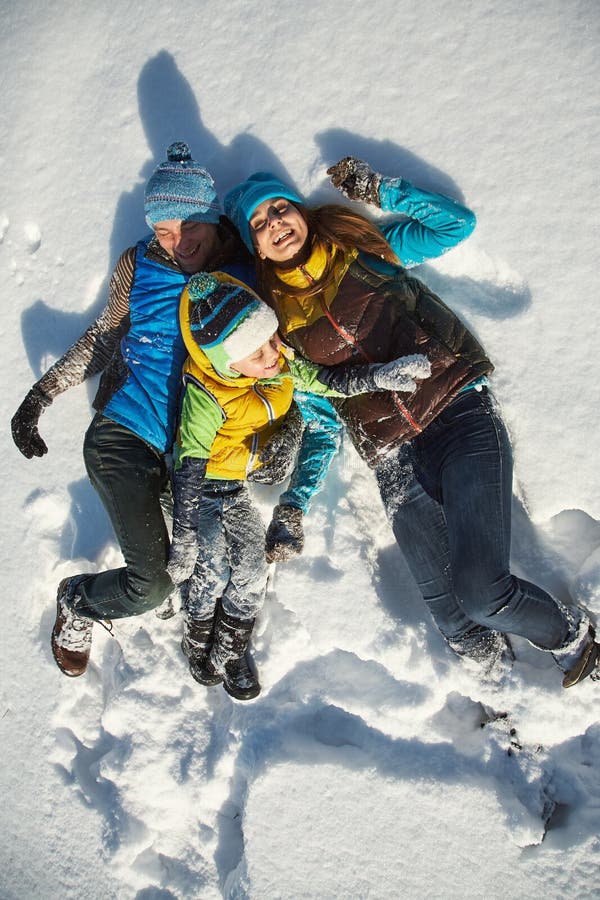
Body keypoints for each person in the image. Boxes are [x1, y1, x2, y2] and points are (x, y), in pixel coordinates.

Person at [223, 157, 600, 688]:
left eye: (280, 208)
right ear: (256, 247)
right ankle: (504, 692)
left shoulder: (367, 253)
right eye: (259, 224)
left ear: (302, 212)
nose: (274, 223)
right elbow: (323, 419)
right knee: (454, 620)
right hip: (391, 455)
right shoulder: (279, 322)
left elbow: (454, 225)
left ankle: (572, 640)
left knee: (483, 592)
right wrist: (294, 502)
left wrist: (381, 188)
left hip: (456, 412)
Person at [10, 142, 342, 679]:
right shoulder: (139, 263)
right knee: (155, 584)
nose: (177, 242)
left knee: (220, 559)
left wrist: (284, 430)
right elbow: (103, 336)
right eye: (164, 230)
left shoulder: (247, 271)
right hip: (125, 437)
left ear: (212, 217)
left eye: (188, 226)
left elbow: (277, 355)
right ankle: (79, 602)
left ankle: (224, 643)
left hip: (196, 451)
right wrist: (41, 395)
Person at [169, 270, 432, 700]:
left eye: (272, 339)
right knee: (213, 570)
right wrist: (184, 539)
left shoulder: (277, 369)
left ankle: (232, 648)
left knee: (253, 570)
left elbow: (324, 381)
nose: (274, 354)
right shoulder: (207, 391)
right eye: (257, 353)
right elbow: (190, 462)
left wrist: (377, 377)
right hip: (201, 490)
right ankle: (198, 641)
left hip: (235, 489)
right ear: (225, 362)